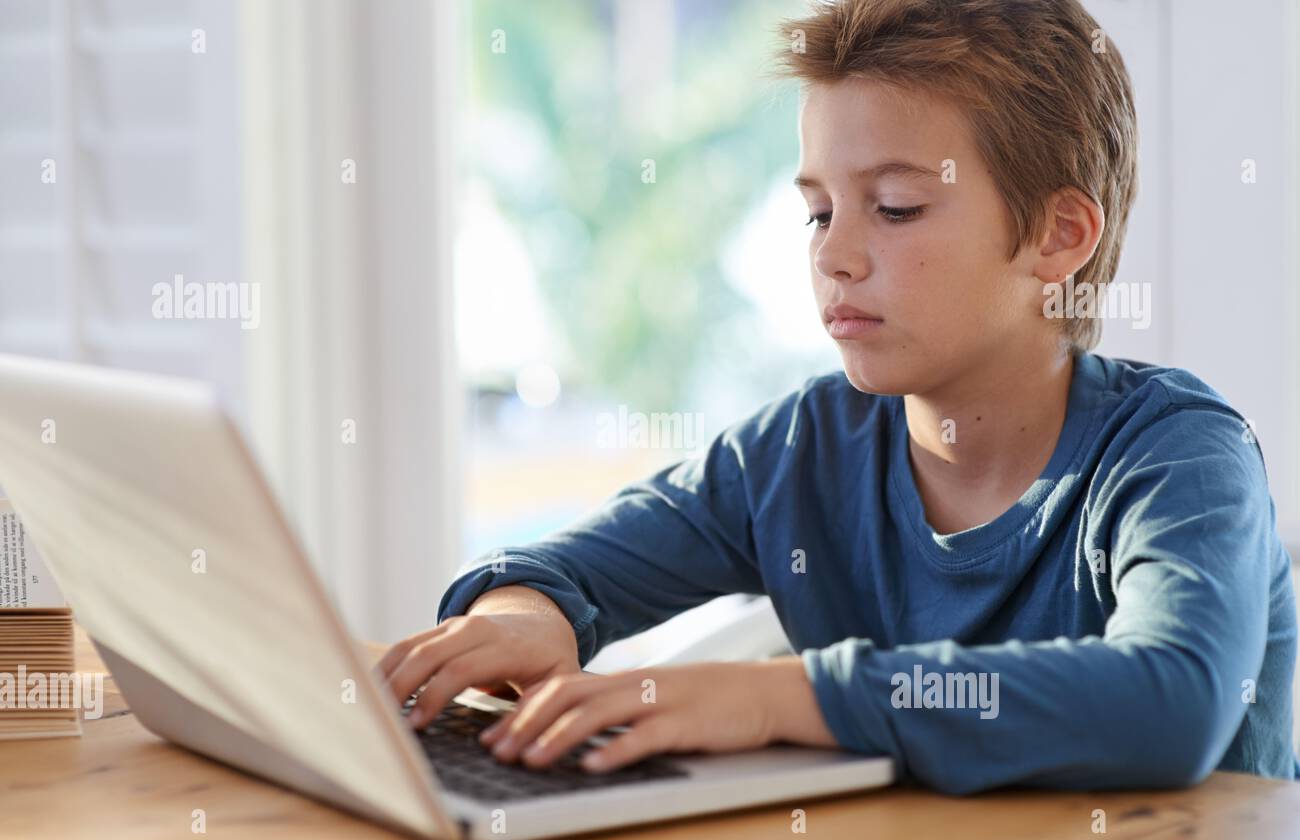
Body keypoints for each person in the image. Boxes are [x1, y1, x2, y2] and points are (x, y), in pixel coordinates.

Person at [378, 0, 1298, 793]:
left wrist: (785, 693)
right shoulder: (804, 451)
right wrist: (520, 617)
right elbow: (564, 571)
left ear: (1059, 236)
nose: (831, 255)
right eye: (819, 210)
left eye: (894, 207)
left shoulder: (1179, 454)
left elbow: (1169, 702)